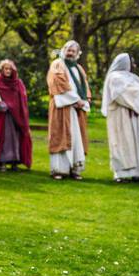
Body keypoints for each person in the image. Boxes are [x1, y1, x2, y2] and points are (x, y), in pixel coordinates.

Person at [101, 53, 139, 182]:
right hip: (121, 116)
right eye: (132, 62)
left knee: (136, 143)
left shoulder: (132, 77)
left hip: (135, 116)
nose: (134, 65)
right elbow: (125, 94)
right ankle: (122, 174)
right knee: (124, 144)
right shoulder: (115, 77)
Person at [47, 40, 90, 180]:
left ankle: (75, 169)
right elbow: (58, 83)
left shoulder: (79, 68)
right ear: (63, 50)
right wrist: (75, 100)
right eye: (68, 50)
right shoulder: (57, 64)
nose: (70, 53)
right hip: (63, 108)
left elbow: (85, 87)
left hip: (76, 110)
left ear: (77, 53)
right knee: (61, 136)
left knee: (77, 139)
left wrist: (85, 101)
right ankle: (59, 170)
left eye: (73, 51)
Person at [0, 59, 32, 170]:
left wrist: (16, 107)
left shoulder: (18, 83)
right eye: (6, 68)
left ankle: (15, 161)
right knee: (4, 138)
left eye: (10, 69)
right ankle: (2, 161)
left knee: (16, 138)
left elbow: (23, 98)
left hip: (17, 116)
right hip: (3, 116)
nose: (8, 71)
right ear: (2, 69)